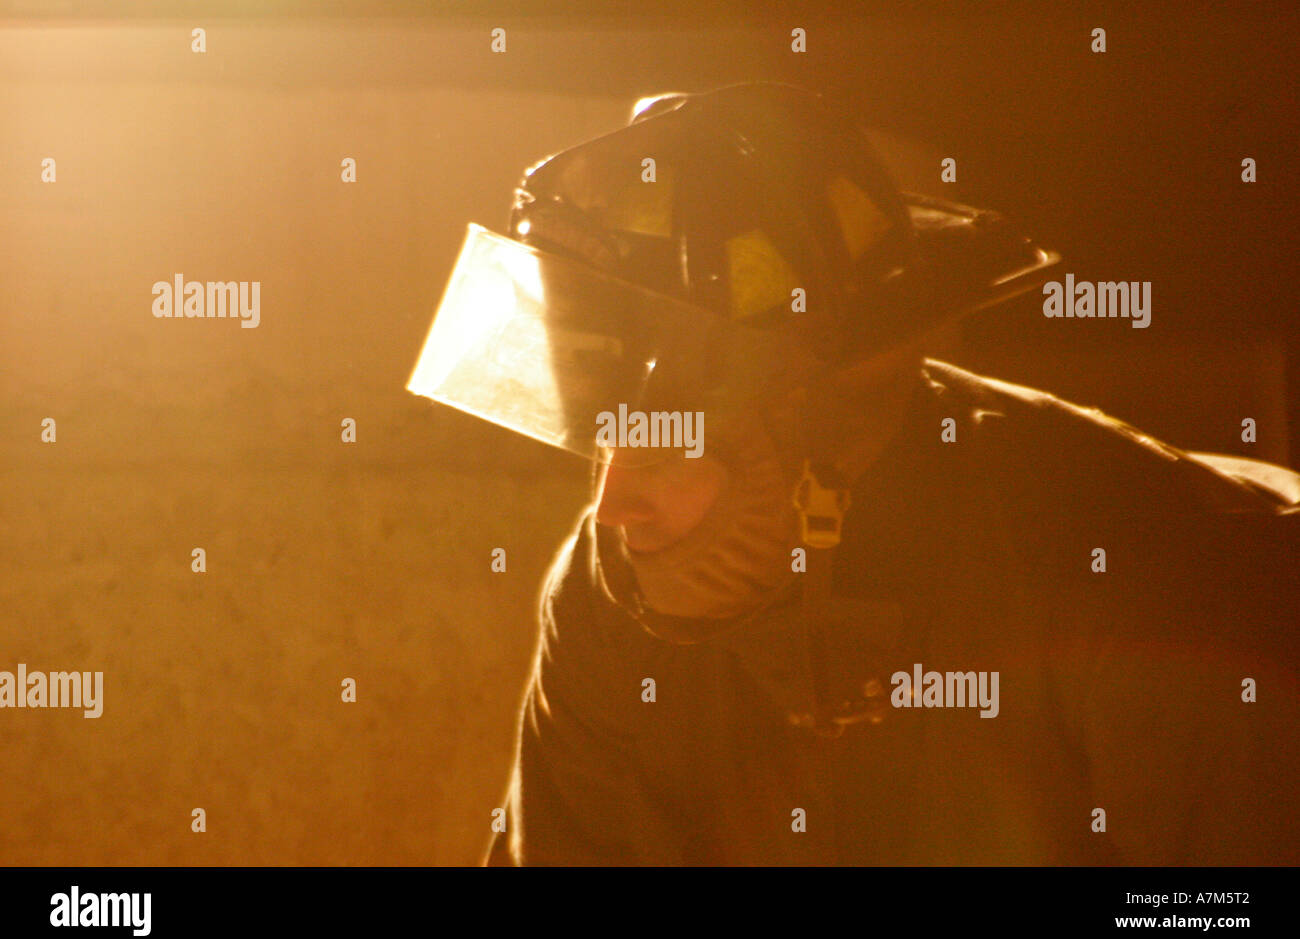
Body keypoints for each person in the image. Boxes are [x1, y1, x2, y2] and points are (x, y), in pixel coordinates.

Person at [407, 82, 1300, 865]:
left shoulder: (1143, 570)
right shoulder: (612, 593)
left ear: (825, 427)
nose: (611, 507)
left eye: (664, 440)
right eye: (602, 439)